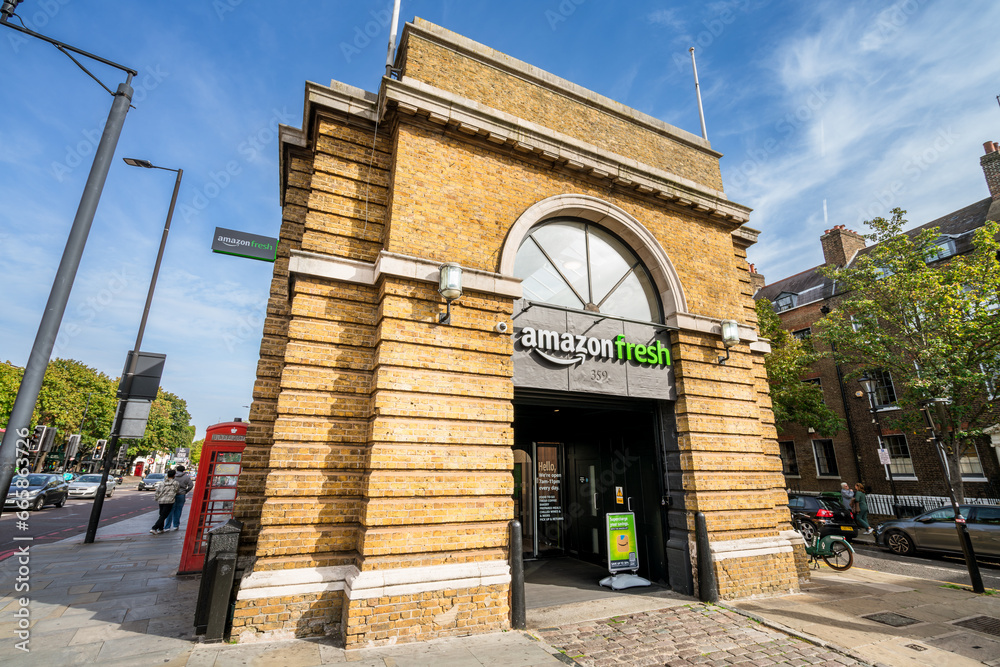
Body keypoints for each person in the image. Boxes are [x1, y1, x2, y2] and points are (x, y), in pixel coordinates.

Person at [163, 464, 194, 532]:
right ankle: (175, 525)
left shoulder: (173, 475)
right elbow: (191, 485)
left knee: (170, 510)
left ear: (177, 469)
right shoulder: (186, 477)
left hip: (172, 494)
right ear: (183, 470)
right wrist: (186, 491)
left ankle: (167, 526)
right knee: (178, 510)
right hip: (181, 494)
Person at [150, 469, 180, 535]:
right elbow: (177, 491)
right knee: (164, 515)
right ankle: (154, 528)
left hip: (161, 500)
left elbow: (157, 491)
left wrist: (156, 498)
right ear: (174, 475)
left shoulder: (162, 483)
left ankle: (161, 529)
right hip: (169, 501)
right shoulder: (176, 483)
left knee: (161, 514)